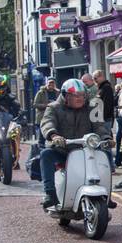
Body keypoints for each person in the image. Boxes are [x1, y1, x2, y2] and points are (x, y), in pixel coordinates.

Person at [37, 79, 110, 210]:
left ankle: (107, 194)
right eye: (75, 95)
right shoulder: (53, 107)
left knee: (105, 154)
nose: (80, 98)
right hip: (63, 149)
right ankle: (50, 193)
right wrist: (54, 135)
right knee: (46, 154)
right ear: (66, 96)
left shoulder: (92, 107)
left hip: (86, 150)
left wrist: (106, 138)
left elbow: (99, 126)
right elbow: (47, 122)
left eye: (82, 95)